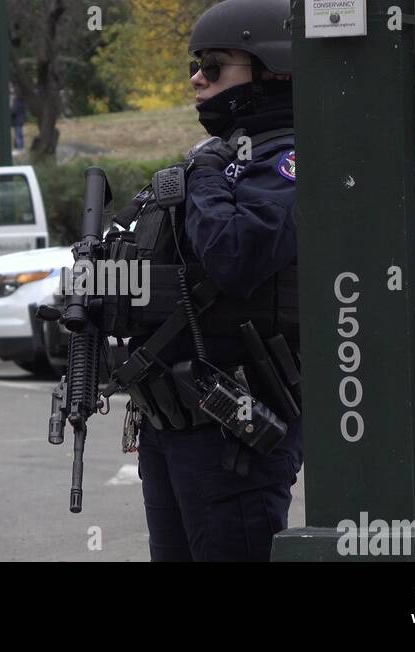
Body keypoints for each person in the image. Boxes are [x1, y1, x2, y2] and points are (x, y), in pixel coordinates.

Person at [122, 0, 302, 561]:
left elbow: (233, 255)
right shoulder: (221, 161)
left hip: (235, 433)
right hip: (169, 420)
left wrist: (201, 174)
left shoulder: (294, 162)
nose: (198, 79)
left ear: (271, 70)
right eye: (194, 66)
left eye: (215, 65)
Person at [10, 86, 26, 153]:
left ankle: (19, 149)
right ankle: (20, 148)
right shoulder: (22, 101)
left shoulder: (17, 101)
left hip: (17, 120)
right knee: (19, 134)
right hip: (20, 119)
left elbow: (14, 111)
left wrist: (9, 112)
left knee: (18, 135)